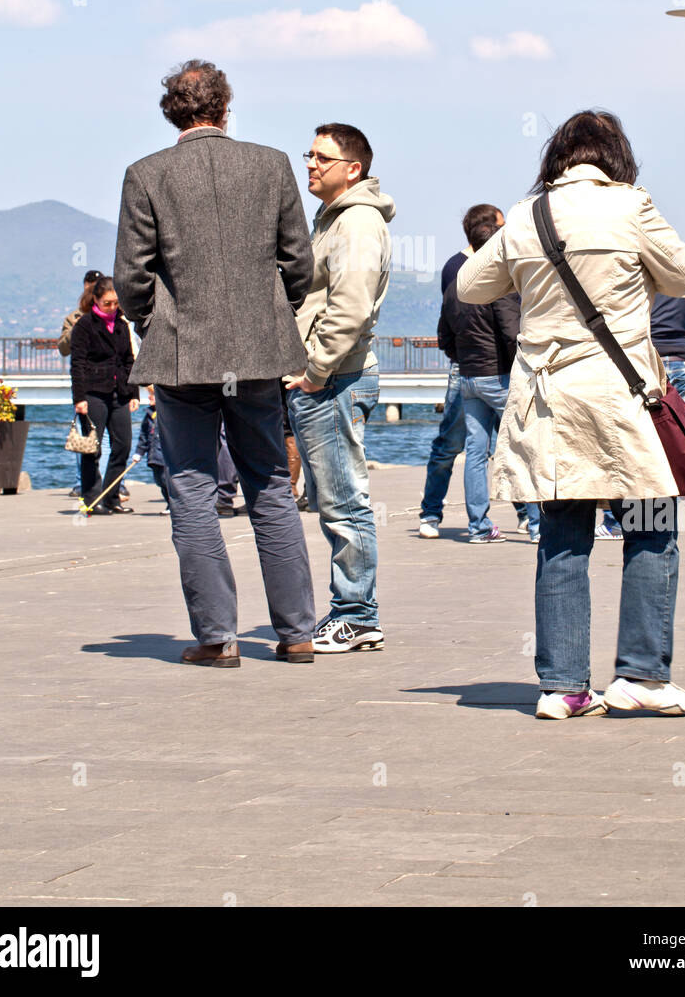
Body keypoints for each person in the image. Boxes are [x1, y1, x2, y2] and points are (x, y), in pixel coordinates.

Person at [458, 109, 685, 720]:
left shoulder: (527, 214)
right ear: (615, 156)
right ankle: (642, 676)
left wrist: (529, 275)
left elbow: (470, 286)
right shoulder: (631, 205)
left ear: (555, 157)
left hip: (550, 399)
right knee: (651, 526)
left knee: (564, 537)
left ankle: (563, 688)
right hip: (623, 394)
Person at [114, 59, 317, 667]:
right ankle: (298, 632)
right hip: (258, 354)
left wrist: (156, 324)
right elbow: (299, 265)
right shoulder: (272, 164)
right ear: (226, 107)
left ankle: (217, 637)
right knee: (271, 487)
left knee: (192, 489)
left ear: (171, 111)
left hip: (183, 355)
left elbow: (131, 278)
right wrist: (266, 313)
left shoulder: (146, 175)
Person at [286, 123, 395, 654]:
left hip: (337, 379)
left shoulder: (354, 224)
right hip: (335, 376)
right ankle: (354, 612)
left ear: (353, 169)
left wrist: (316, 371)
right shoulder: (334, 221)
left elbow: (349, 305)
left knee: (343, 502)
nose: (310, 164)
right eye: (308, 154)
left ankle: (356, 615)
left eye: (322, 158)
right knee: (337, 500)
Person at [418, 205, 539, 542]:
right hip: (498, 374)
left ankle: (478, 527)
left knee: (474, 451)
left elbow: (445, 335)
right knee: (523, 445)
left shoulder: (455, 280)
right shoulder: (498, 280)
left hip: (468, 376)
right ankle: (537, 523)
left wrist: (464, 360)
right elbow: (510, 331)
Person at [595, 280, 685, 539]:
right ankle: (665, 512)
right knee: (673, 436)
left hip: (636, 357)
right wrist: (684, 342)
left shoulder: (636, 274)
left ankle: (619, 517)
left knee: (630, 435)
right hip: (678, 357)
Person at [71, 276, 140, 515]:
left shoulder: (122, 325)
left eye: (115, 303)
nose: (112, 307)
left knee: (123, 445)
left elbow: (129, 360)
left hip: (119, 392)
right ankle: (91, 498)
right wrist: (79, 398)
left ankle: (112, 496)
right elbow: (77, 363)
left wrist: (134, 393)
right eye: (107, 303)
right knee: (93, 447)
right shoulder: (84, 325)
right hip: (93, 394)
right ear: (96, 300)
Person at [59, 269, 104, 495]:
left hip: (108, 383)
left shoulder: (113, 316)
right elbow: (64, 349)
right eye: (90, 286)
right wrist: (78, 328)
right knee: (85, 436)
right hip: (85, 384)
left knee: (110, 439)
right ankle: (83, 483)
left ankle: (109, 484)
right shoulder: (74, 318)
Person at [135, 386, 169, 512]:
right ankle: (169, 502)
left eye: (152, 395)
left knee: (167, 481)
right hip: (153, 455)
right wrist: (139, 452)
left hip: (165, 455)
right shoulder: (149, 415)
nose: (149, 397)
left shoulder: (167, 413)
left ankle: (173, 504)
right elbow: (144, 435)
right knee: (159, 481)